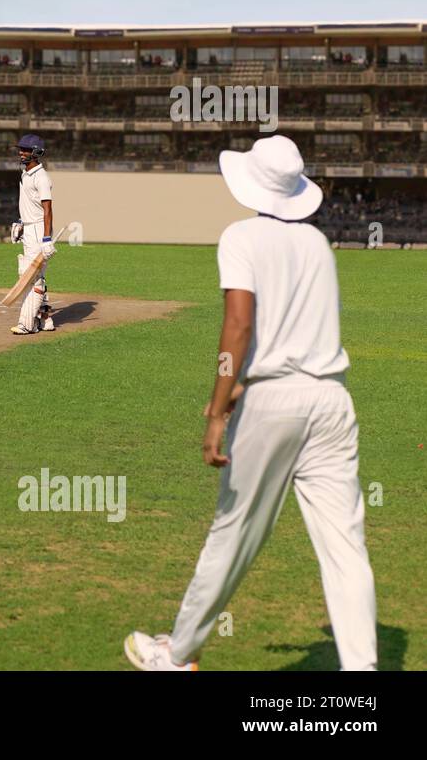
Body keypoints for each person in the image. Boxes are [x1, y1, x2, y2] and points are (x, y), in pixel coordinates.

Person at [124, 136, 376, 671]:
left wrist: (218, 408)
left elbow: (238, 327)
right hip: (331, 400)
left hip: (275, 404)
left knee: (233, 532)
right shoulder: (317, 245)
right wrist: (243, 386)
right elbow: (300, 335)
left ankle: (178, 653)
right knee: (346, 548)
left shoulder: (240, 236)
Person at [9, 134, 55, 334]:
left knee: (30, 275)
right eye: (21, 149)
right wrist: (21, 224)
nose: (21, 152)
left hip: (38, 229)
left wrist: (46, 239)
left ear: (36, 152)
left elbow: (47, 209)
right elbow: (29, 204)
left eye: (26, 150)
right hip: (29, 227)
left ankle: (28, 324)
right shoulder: (25, 173)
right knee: (36, 274)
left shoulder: (41, 177)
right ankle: (45, 318)